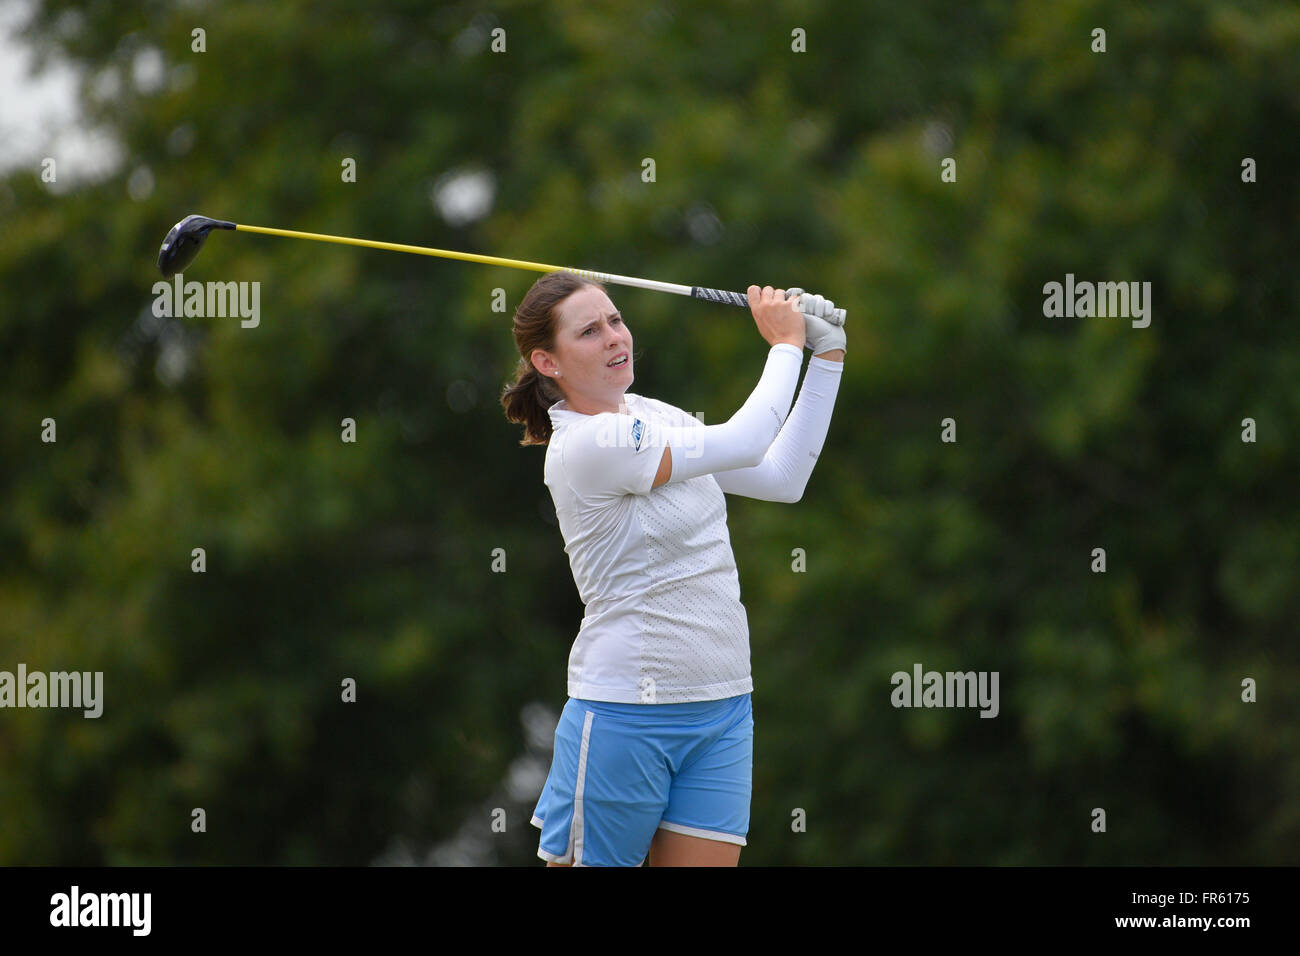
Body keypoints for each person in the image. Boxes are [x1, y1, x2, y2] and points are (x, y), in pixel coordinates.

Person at [500, 273, 845, 866]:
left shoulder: (652, 414)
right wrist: (786, 344)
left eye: (615, 320)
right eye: (589, 331)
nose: (614, 338)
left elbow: (782, 476)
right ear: (546, 361)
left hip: (723, 704)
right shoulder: (588, 443)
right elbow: (743, 439)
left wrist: (828, 355)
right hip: (625, 714)